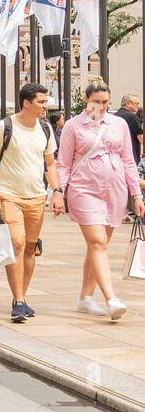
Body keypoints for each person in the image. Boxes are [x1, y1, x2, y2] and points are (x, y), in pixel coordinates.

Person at [58, 78, 144, 320]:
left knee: (98, 245)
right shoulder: (74, 126)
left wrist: (136, 194)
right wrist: (57, 192)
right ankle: (110, 298)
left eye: (105, 102)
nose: (102, 106)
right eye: (97, 101)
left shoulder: (119, 124)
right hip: (84, 188)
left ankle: (85, 298)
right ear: (87, 100)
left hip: (114, 190)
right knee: (97, 243)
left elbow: (129, 161)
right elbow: (63, 163)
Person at [0, 83, 63, 323]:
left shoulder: (45, 129)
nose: (46, 106)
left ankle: (23, 297)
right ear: (27, 103)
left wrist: (57, 192)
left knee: (29, 247)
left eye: (46, 102)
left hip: (36, 196)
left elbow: (50, 164)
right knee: (15, 244)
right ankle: (17, 300)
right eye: (41, 102)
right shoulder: (4, 126)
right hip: (8, 194)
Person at [114, 95, 144, 166]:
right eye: (136, 103)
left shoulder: (113, 116)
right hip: (131, 155)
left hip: (116, 156)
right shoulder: (132, 117)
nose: (138, 106)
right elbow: (141, 138)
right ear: (127, 104)